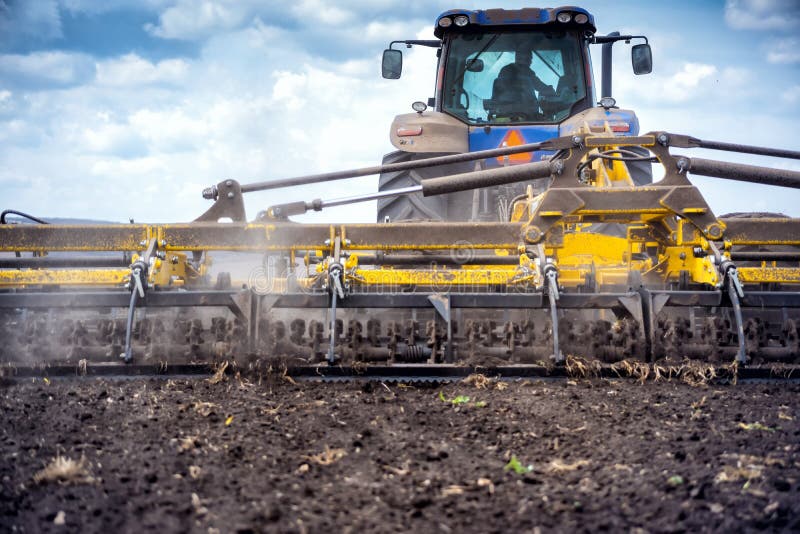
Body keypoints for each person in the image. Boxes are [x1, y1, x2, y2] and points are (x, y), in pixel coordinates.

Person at [490, 45, 555, 119]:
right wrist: (550, 90)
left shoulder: (504, 70)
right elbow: (540, 87)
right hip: (525, 115)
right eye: (529, 58)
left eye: (530, 59)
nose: (530, 62)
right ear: (521, 58)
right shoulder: (527, 72)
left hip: (502, 116)